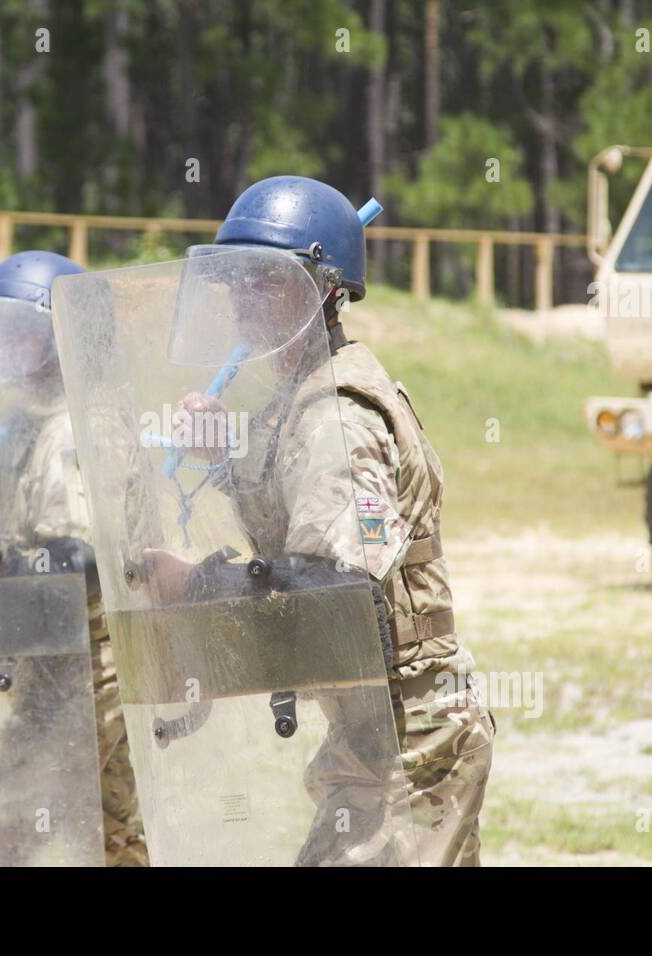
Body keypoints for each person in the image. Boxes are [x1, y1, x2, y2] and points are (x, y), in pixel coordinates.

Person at [167, 176, 495, 865]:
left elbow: (332, 593)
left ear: (327, 289)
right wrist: (225, 453)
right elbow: (291, 502)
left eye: (267, 281)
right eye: (237, 284)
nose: (245, 302)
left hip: (412, 735)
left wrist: (196, 586)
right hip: (378, 726)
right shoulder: (302, 397)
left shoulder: (336, 414)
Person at [0, 251, 148, 867]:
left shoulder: (78, 428)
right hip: (71, 672)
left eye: (18, 335)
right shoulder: (36, 424)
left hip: (86, 679)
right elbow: (21, 525)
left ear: (59, 340)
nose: (3, 350)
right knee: (117, 839)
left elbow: (76, 559)